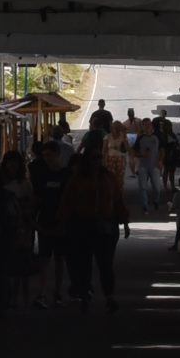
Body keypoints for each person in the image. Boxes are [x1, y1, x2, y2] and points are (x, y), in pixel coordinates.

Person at [59, 131, 128, 307]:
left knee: (105, 263)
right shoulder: (77, 180)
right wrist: (63, 223)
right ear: (87, 160)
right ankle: (84, 293)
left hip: (106, 225)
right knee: (84, 262)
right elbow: (67, 202)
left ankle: (109, 296)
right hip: (83, 224)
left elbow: (118, 200)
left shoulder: (108, 178)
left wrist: (125, 222)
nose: (97, 161)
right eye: (93, 158)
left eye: (99, 157)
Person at [29, 139, 72, 307]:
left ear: (58, 154)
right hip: (45, 221)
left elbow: (70, 199)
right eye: (45, 155)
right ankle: (42, 293)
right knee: (44, 258)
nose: (47, 158)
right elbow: (37, 198)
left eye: (50, 155)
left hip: (62, 221)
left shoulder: (66, 175)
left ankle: (58, 292)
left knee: (60, 258)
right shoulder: (41, 175)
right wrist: (33, 219)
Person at [0, 149, 34, 315]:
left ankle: (21, 298)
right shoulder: (1, 182)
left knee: (22, 263)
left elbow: (31, 201)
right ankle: (9, 297)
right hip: (5, 227)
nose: (12, 165)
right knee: (8, 263)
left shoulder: (24, 182)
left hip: (22, 226)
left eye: (15, 162)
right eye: (10, 162)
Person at [133, 120, 164, 214]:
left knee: (157, 188)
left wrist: (160, 161)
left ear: (151, 126)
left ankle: (156, 201)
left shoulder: (158, 136)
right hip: (143, 166)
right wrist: (142, 155)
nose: (146, 127)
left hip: (154, 166)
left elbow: (162, 150)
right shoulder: (140, 138)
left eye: (148, 125)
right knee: (142, 187)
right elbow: (134, 152)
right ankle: (145, 206)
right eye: (144, 125)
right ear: (142, 127)